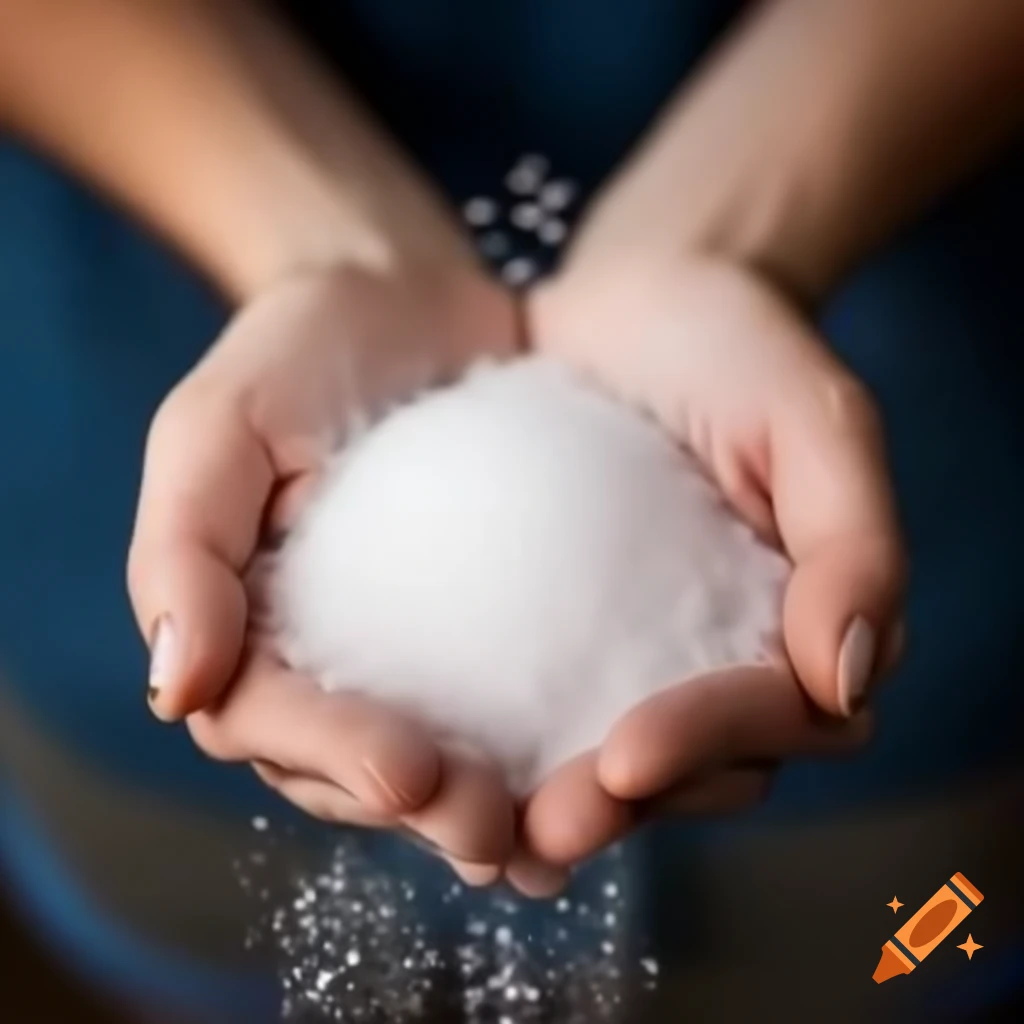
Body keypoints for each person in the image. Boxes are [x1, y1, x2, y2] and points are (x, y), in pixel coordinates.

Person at [0, 0, 1022, 1019]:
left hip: (911, 729)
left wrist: (737, 232)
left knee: (904, 969)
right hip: (131, 668)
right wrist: (314, 241)